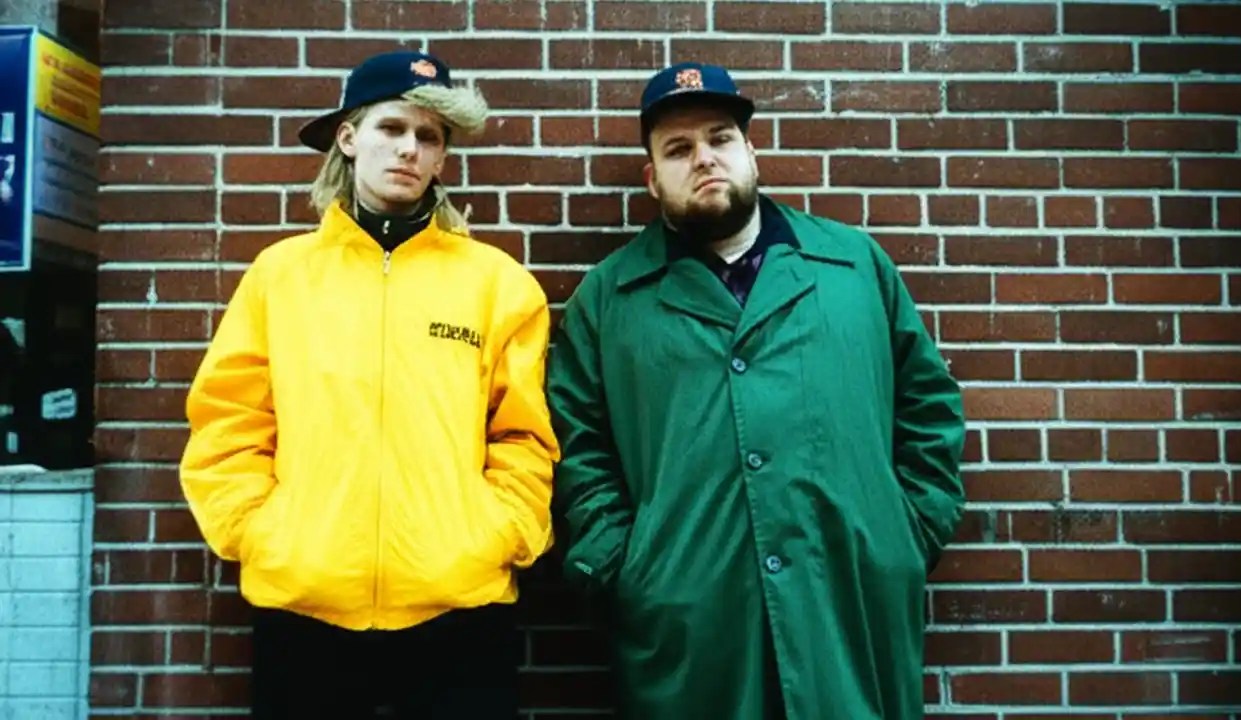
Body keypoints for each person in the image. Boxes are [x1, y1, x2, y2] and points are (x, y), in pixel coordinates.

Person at [547, 62, 967, 720]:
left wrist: (904, 537)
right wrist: (625, 565)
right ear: (652, 177)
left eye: (720, 139)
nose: (704, 159)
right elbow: (578, 444)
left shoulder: (852, 266)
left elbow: (929, 407)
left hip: (847, 600)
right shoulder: (612, 296)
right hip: (694, 620)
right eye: (678, 149)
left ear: (752, 152)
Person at [179, 50, 558, 719]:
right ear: (349, 139)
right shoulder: (280, 276)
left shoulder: (497, 284)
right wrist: (258, 532)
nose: (409, 148)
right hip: (304, 614)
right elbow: (228, 422)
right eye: (391, 128)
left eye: (429, 136)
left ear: (442, 157)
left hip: (459, 613)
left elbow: (524, 435)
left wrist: (499, 533)